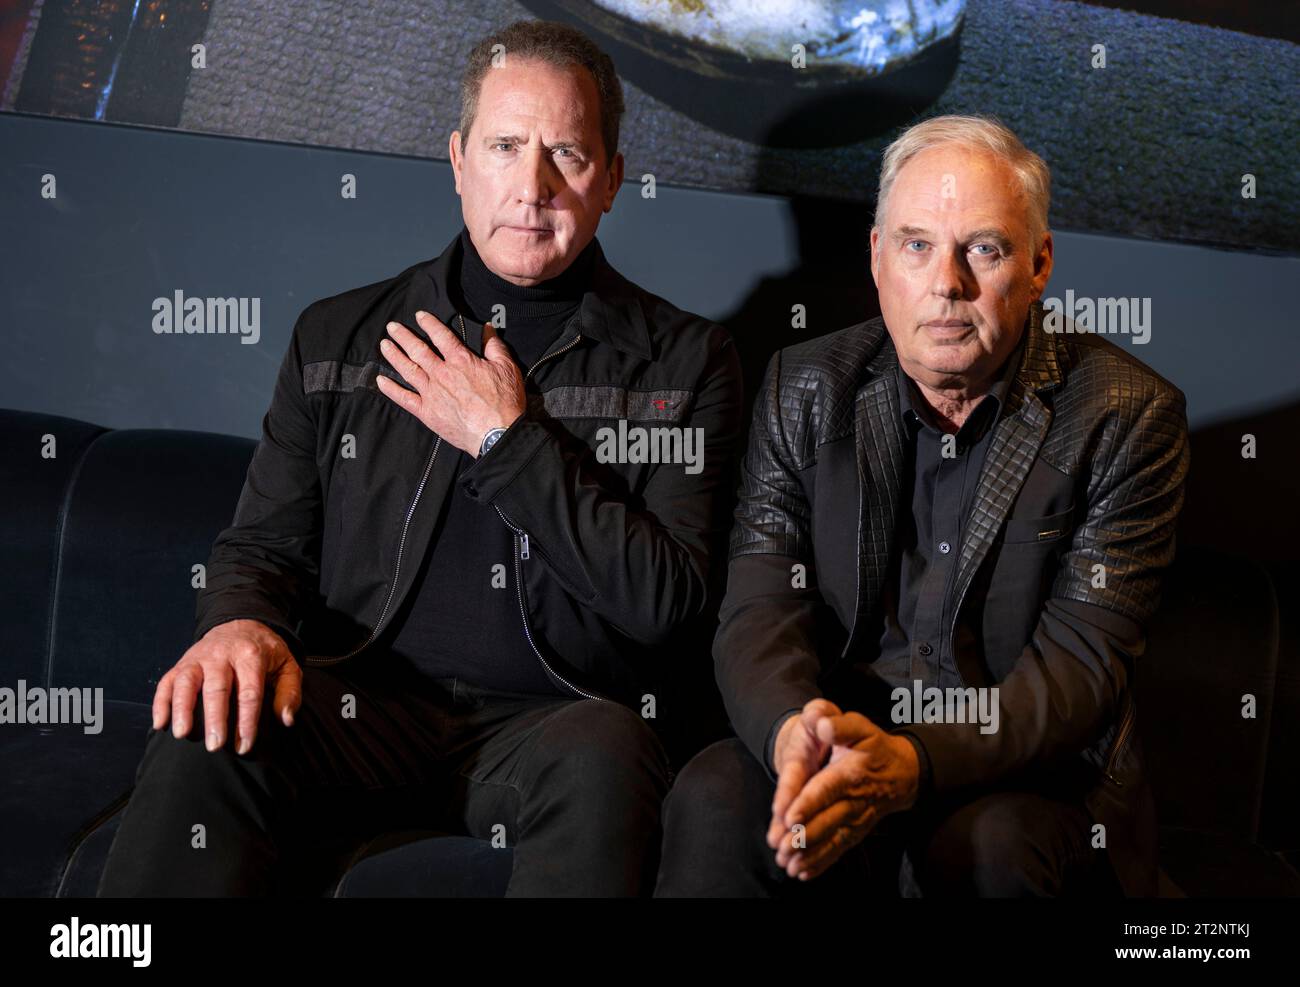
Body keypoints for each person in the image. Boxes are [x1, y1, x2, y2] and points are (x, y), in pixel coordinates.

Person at [97, 19, 743, 898]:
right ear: (457, 160)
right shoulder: (339, 337)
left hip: (554, 726)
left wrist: (505, 442)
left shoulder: (685, 363)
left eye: (568, 155)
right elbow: (261, 550)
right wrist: (239, 624)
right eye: (506, 147)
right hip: (357, 704)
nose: (532, 186)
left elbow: (668, 604)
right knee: (212, 715)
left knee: (612, 749)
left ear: (613, 182)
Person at [656, 114, 1189, 898]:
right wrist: (793, 734)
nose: (947, 282)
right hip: (839, 734)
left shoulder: (1126, 414)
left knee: (988, 849)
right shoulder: (800, 389)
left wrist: (913, 762)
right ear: (877, 258)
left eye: (984, 248)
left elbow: (1078, 674)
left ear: (1039, 264)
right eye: (916, 245)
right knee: (714, 793)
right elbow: (760, 610)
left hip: (1027, 773)